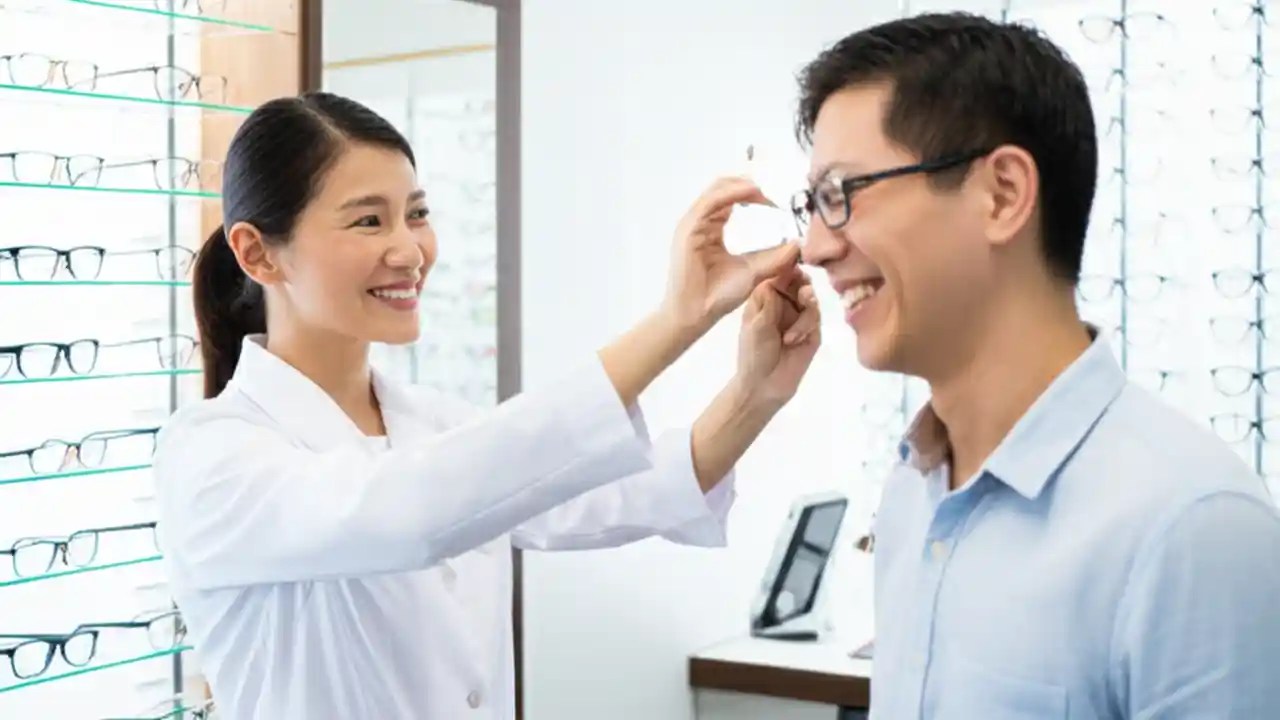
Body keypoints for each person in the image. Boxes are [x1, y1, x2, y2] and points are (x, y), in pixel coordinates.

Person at [152, 91, 820, 719]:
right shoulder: (212, 455)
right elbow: (410, 513)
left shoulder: (433, 422)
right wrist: (677, 320)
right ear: (257, 253)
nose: (410, 250)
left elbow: (626, 494)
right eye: (368, 220)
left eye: (416, 213)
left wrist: (756, 392)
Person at [791, 12, 1280, 720]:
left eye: (842, 196)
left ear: (1003, 194)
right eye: (812, 205)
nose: (813, 247)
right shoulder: (911, 496)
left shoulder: (1193, 528)